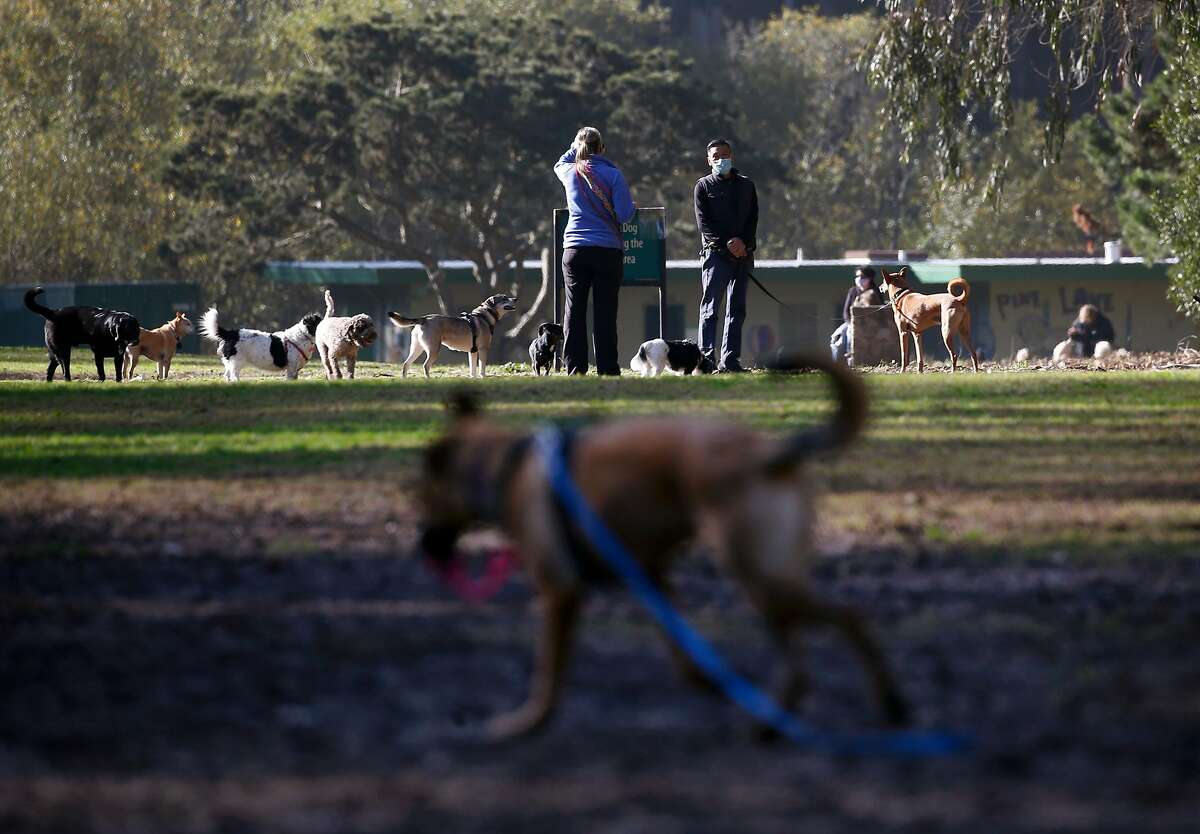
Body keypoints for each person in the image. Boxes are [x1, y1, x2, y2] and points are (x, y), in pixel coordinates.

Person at [554, 126, 636, 376]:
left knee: (574, 310)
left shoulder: (568, 171)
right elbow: (624, 215)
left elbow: (561, 161)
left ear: (578, 147)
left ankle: (575, 368)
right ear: (602, 148)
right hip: (607, 249)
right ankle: (608, 368)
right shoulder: (613, 174)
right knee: (605, 312)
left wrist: (576, 147)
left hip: (575, 249)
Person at [694, 138, 758, 373]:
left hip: (743, 256)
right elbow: (704, 224)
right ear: (709, 160)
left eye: (725, 154)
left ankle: (730, 360)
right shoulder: (703, 186)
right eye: (716, 156)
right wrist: (727, 243)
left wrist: (745, 245)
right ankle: (706, 361)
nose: (721, 159)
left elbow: (753, 219)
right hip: (716, 257)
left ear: (732, 156)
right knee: (710, 310)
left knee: (736, 310)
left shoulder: (746, 185)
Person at [830, 267, 879, 364]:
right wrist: (851, 324)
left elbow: (878, 311)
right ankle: (836, 366)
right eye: (858, 276)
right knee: (836, 340)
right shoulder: (853, 291)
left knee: (851, 338)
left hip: (870, 325)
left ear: (870, 278)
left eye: (863, 276)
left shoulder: (875, 292)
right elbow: (846, 312)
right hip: (851, 323)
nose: (859, 279)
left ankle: (852, 362)